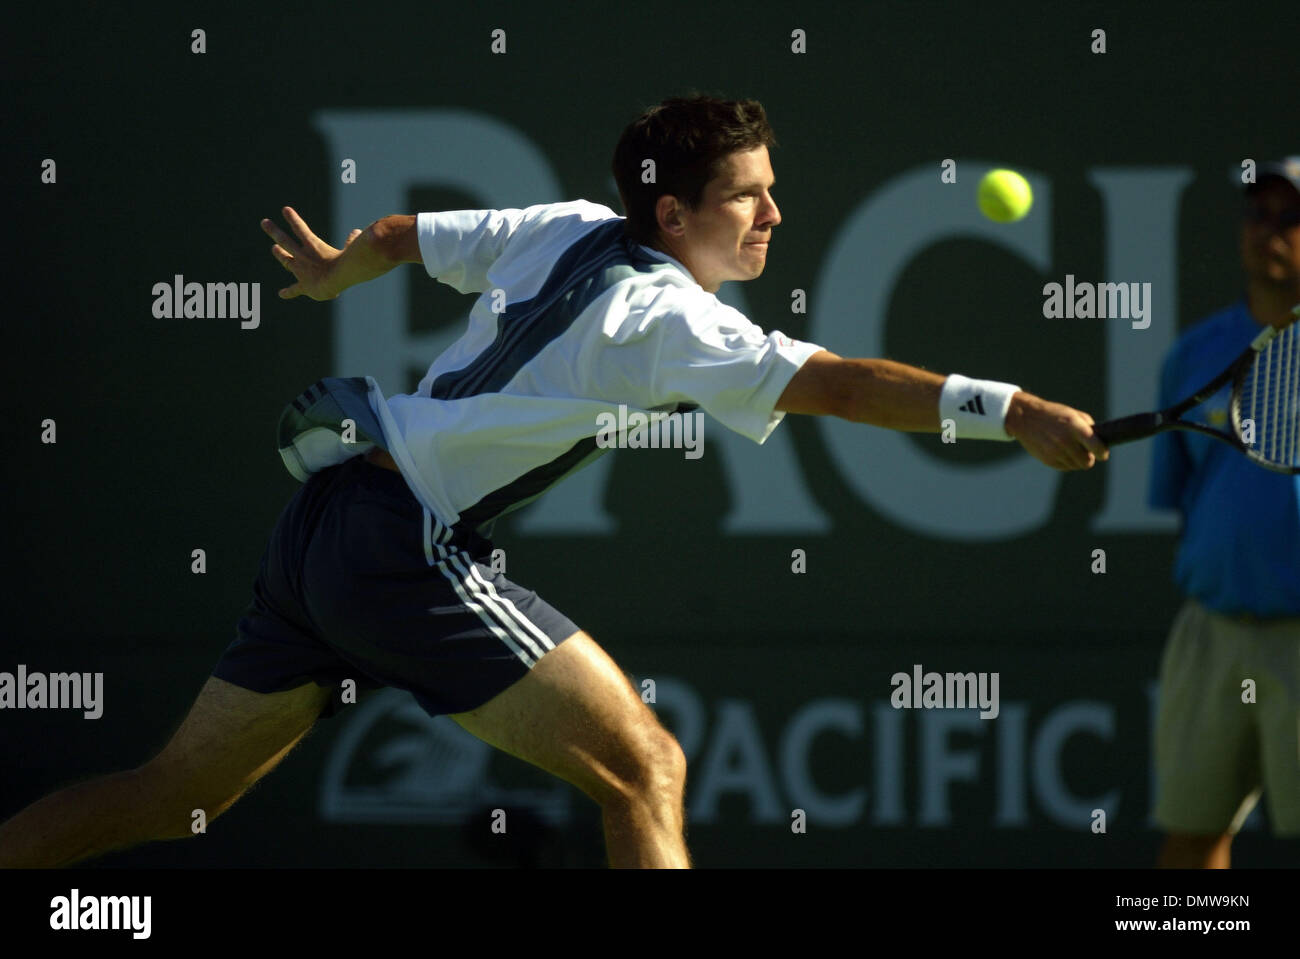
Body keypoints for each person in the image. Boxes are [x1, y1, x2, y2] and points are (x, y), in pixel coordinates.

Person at [0, 94, 1106, 870]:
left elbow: (395, 233)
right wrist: (1011, 408)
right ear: (672, 216)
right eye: (747, 197)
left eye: (771, 192)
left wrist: (338, 271)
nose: (774, 215)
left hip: (319, 524)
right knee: (644, 770)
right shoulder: (672, 319)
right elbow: (849, 389)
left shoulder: (570, 225)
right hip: (401, 547)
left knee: (173, 795)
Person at [1150, 157, 1300, 868]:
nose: (1269, 231)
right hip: (1212, 632)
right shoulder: (1194, 353)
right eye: (1258, 214)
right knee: (1192, 838)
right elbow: (1184, 494)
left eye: (1291, 217)